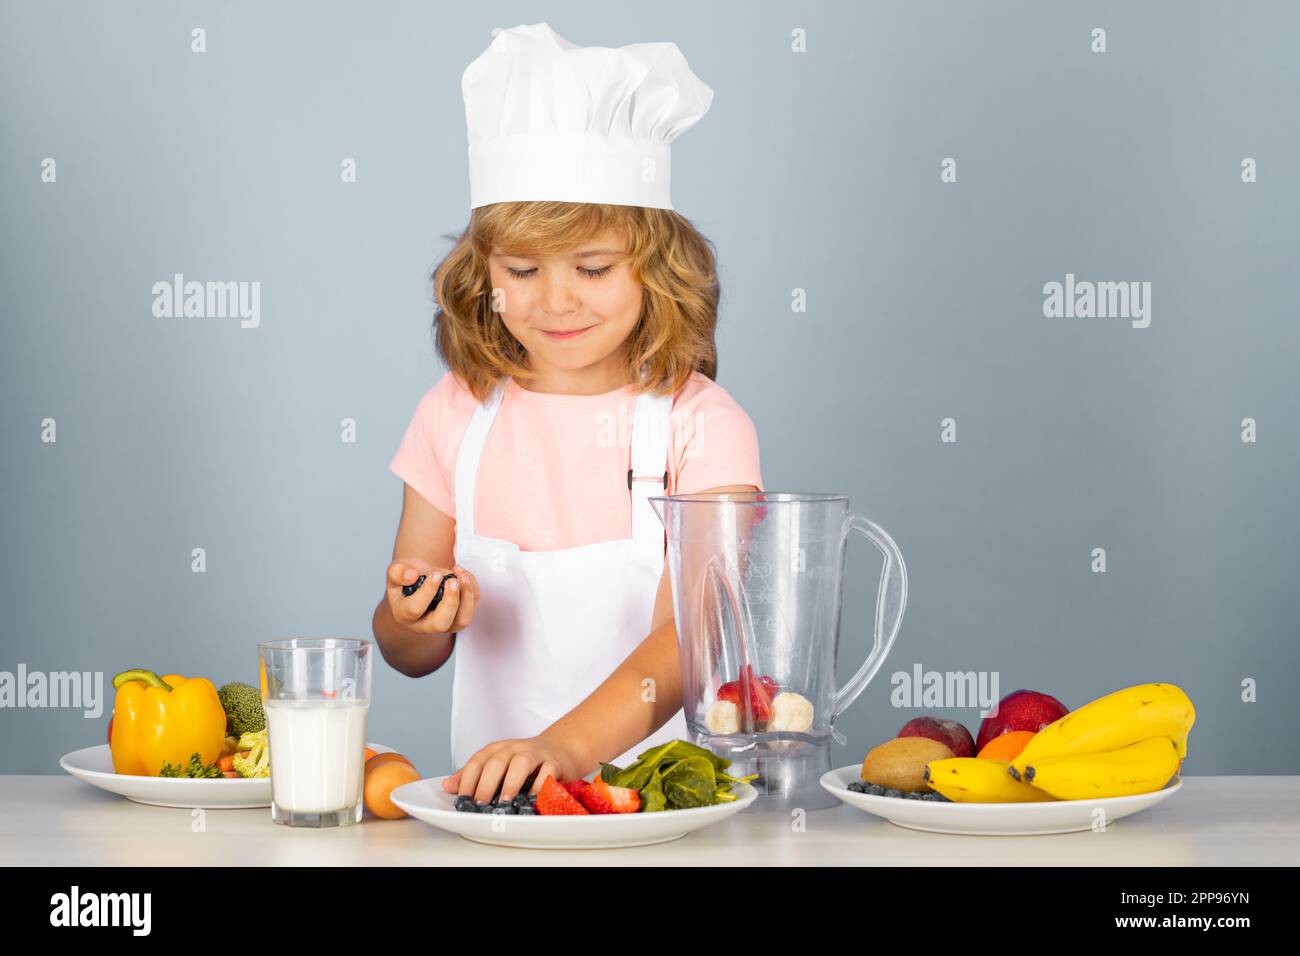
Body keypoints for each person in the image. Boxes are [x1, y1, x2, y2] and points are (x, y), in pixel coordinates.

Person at [374, 23, 763, 804]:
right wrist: (421, 613)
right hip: (499, 819)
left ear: (658, 269)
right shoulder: (454, 413)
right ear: (483, 272)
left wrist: (563, 749)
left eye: (592, 267)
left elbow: (692, 643)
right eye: (521, 269)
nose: (555, 300)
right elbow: (405, 650)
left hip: (666, 816)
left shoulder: (704, 425)